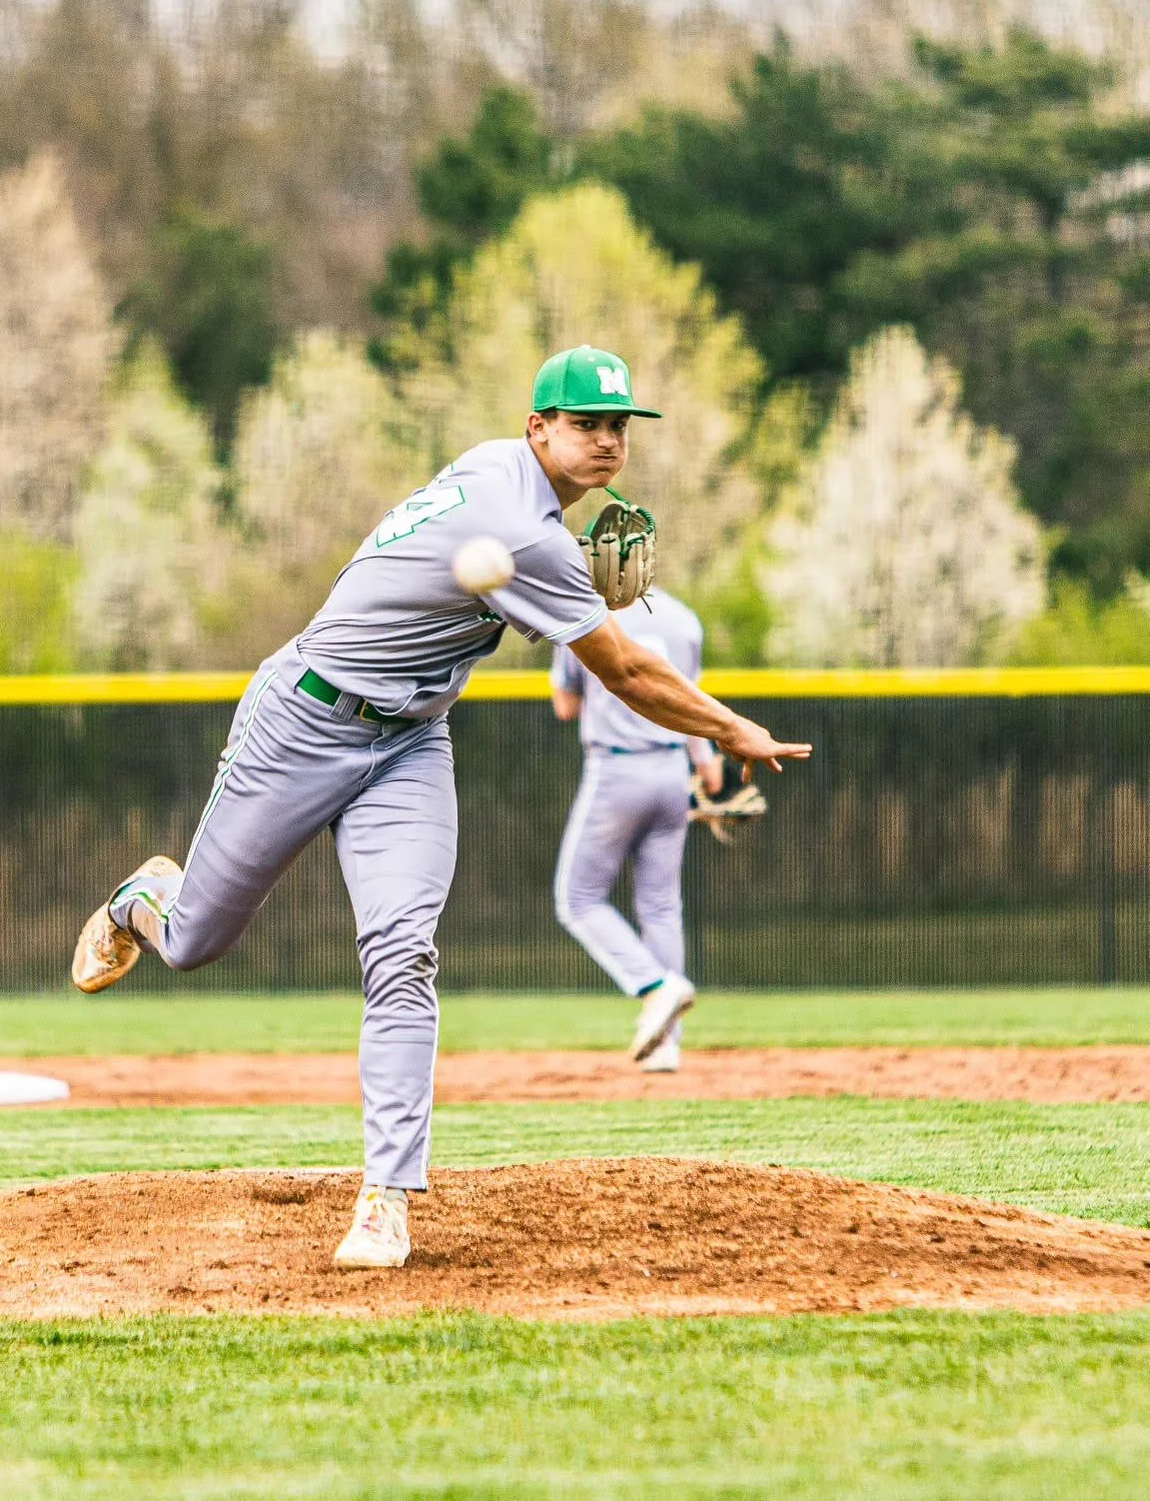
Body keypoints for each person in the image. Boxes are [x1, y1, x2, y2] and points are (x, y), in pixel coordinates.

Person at [71, 344, 811, 1268]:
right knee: (193, 941)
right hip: (302, 720)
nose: (607, 441)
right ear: (536, 425)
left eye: (618, 425)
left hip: (410, 740)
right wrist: (729, 729)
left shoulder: (502, 482)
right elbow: (621, 669)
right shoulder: (530, 533)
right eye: (585, 423)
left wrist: (552, 587)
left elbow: (512, 579)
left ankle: (384, 1199)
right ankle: (139, 900)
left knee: (403, 948)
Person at [551, 589, 723, 1072]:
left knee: (578, 898)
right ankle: (667, 1045)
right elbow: (689, 702)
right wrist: (706, 763)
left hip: (617, 770)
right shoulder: (684, 618)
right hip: (672, 770)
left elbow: (565, 706)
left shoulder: (579, 614)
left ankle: (655, 986)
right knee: (662, 907)